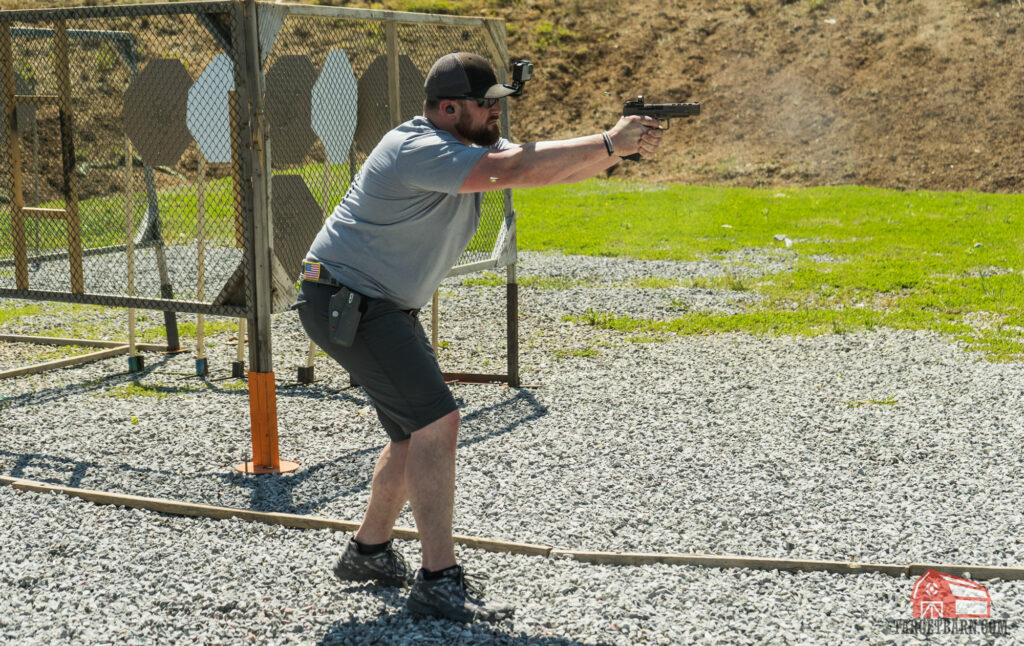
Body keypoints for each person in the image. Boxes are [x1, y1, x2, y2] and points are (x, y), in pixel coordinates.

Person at [294, 51, 662, 623]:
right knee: (438, 423)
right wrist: (610, 142)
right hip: (350, 301)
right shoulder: (417, 148)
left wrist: (616, 148)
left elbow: (541, 167)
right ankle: (438, 581)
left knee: (412, 435)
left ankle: (367, 552)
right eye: (486, 106)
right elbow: (516, 169)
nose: (496, 115)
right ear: (447, 109)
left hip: (366, 302)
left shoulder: (463, 146)